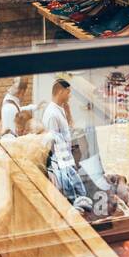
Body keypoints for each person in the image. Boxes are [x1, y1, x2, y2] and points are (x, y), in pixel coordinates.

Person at [42, 77, 92, 212]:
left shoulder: (60, 109)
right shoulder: (52, 114)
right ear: (60, 91)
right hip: (62, 162)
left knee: (79, 194)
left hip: (67, 159)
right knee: (72, 197)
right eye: (68, 92)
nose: (70, 95)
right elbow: (53, 142)